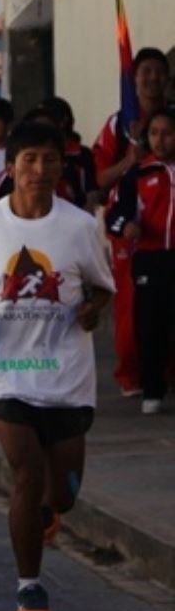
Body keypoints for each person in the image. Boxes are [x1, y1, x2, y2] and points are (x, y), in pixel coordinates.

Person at [0, 120, 112, 611]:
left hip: (64, 373)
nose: (39, 171)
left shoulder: (79, 227)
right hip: (3, 371)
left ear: (61, 167)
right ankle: (30, 591)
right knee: (26, 470)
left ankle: (48, 511)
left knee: (61, 491)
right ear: (12, 167)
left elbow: (102, 286)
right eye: (29, 161)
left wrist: (93, 309)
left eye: (49, 160)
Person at [93, 48, 170, 395]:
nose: (153, 78)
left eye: (159, 72)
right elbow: (99, 179)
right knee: (131, 306)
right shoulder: (117, 125)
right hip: (131, 232)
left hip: (168, 234)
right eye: (146, 72)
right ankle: (130, 374)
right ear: (134, 79)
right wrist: (129, 161)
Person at [106, 107, 175, 414]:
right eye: (154, 133)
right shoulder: (138, 174)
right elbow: (115, 216)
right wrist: (127, 226)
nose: (161, 140)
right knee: (150, 326)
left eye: (168, 133)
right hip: (150, 260)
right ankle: (152, 390)